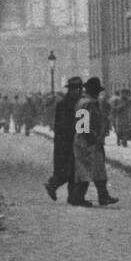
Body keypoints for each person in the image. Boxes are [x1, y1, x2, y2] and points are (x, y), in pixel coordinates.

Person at [74, 77, 118, 206]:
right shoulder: (89, 103)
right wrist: (92, 139)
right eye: (97, 91)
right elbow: (82, 125)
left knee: (89, 170)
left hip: (83, 140)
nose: (98, 93)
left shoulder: (81, 101)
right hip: (88, 141)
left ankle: (95, 196)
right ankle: (95, 197)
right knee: (93, 170)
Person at [45, 76, 86, 205]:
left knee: (74, 169)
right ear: (71, 90)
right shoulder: (66, 104)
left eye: (79, 89)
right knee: (69, 169)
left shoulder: (75, 103)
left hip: (70, 141)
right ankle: (54, 185)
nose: (78, 91)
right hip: (66, 142)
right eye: (75, 89)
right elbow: (64, 125)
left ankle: (72, 196)